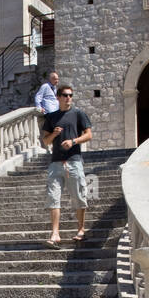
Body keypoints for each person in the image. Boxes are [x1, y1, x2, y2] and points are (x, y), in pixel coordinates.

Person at [41, 83, 92, 246]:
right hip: (56, 163)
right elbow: (45, 141)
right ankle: (55, 233)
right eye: (65, 95)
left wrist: (74, 141)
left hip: (74, 160)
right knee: (53, 197)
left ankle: (81, 229)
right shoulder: (51, 117)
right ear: (58, 97)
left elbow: (89, 135)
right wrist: (54, 134)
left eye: (70, 95)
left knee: (78, 195)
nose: (68, 98)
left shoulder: (78, 114)